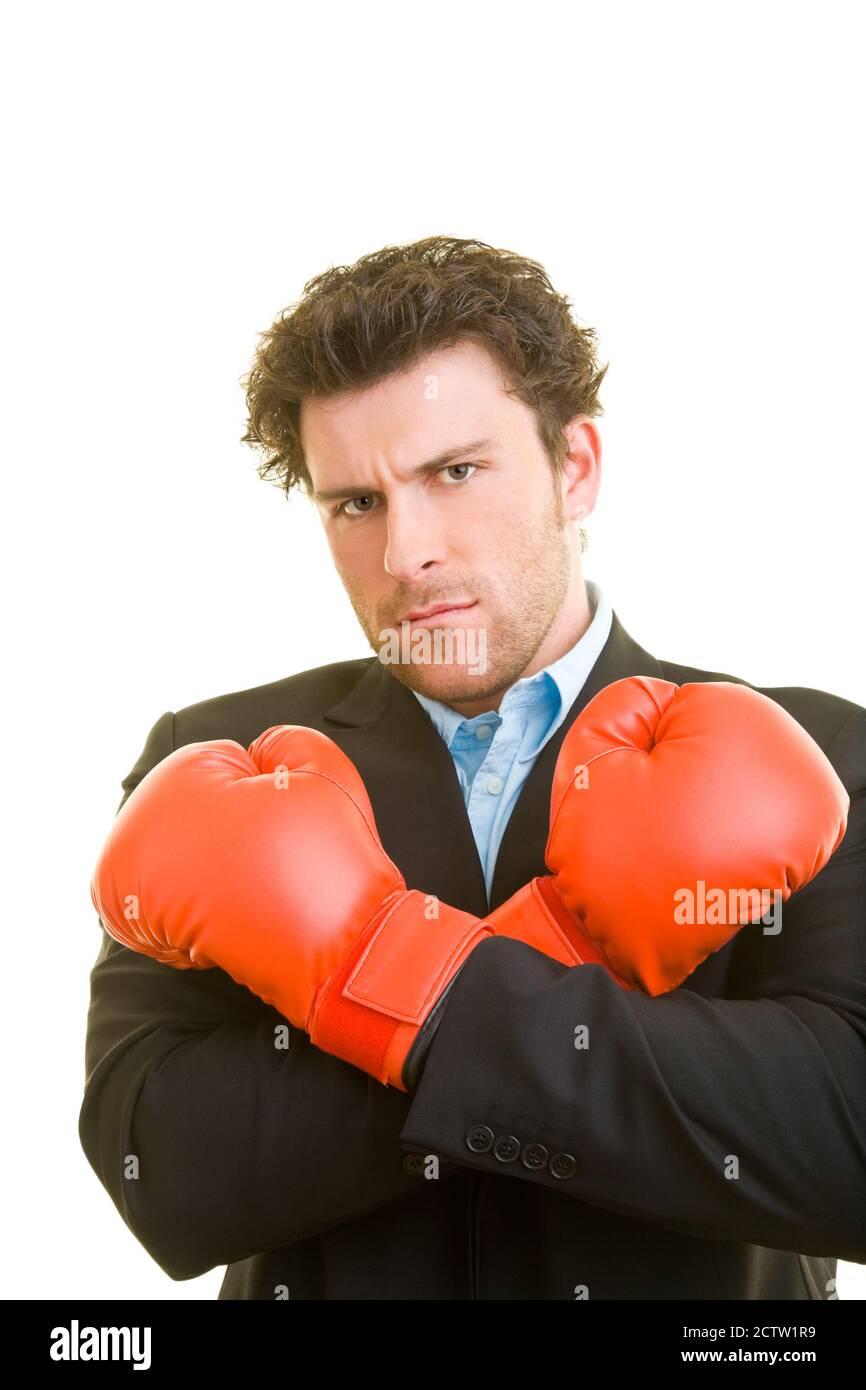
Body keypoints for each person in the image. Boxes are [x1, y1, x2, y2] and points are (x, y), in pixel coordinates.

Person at [79, 235, 866, 1300]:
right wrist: (573, 971)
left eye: (454, 472)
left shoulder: (817, 752)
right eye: (355, 501)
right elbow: (168, 1173)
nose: (405, 552)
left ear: (574, 467)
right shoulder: (214, 761)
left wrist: (386, 988)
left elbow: (844, 1146)